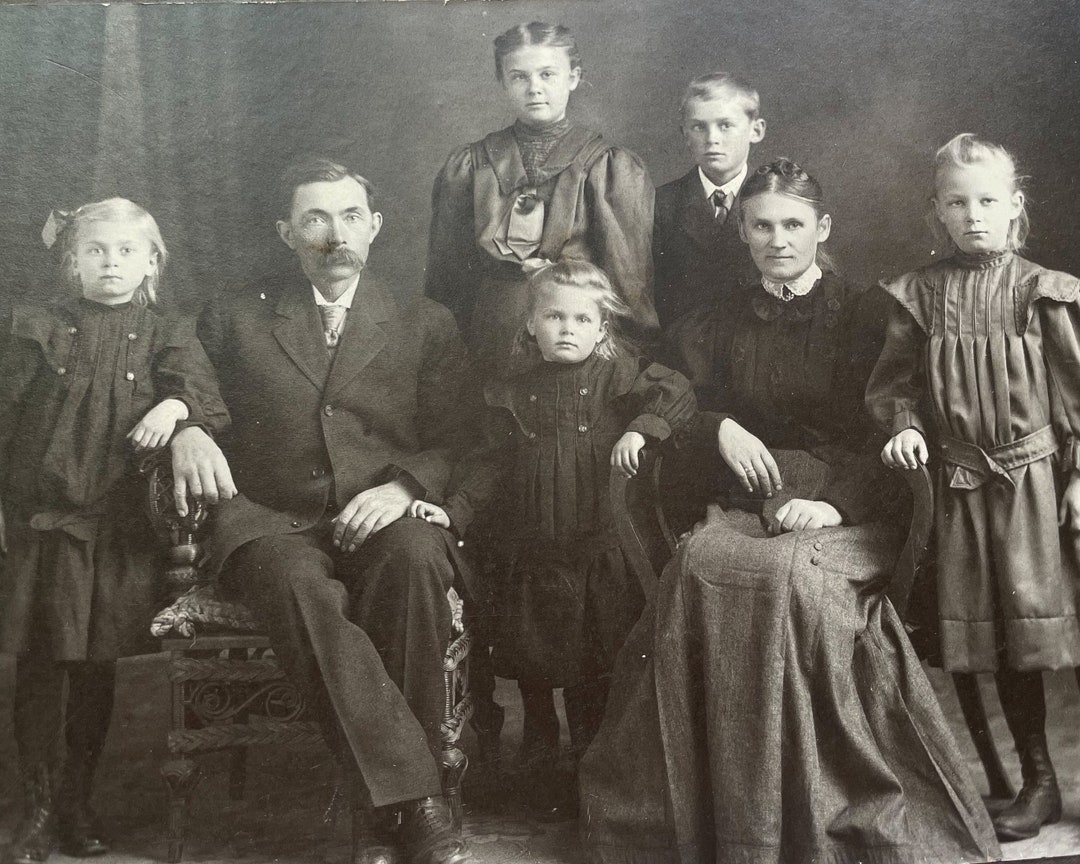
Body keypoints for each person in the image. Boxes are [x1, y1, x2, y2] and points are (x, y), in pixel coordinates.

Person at [578, 159, 1000, 864]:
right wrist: (716, 426)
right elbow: (670, 386)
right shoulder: (717, 317)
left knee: (789, 584)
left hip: (852, 505)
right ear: (743, 232)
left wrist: (834, 503)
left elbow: (892, 419)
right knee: (698, 567)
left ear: (821, 229)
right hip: (748, 501)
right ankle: (719, 814)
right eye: (763, 225)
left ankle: (809, 809)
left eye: (794, 225)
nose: (779, 239)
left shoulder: (869, 313)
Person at [168, 156, 472, 864]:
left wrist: (405, 488)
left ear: (375, 227)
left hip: (382, 511)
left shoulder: (424, 321)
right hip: (270, 518)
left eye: (349, 216)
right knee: (297, 582)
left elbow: (463, 437)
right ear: (286, 232)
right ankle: (411, 804)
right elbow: (175, 363)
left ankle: (384, 809)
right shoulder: (233, 315)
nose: (334, 234)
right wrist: (185, 422)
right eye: (315, 218)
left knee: (416, 558)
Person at [411, 258, 694, 817]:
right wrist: (454, 510)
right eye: (554, 317)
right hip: (531, 550)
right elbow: (488, 464)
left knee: (594, 660)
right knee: (536, 658)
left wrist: (640, 429)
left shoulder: (621, 375)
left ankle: (593, 763)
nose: (568, 328)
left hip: (598, 548)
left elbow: (677, 393)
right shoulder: (510, 391)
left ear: (601, 328)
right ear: (530, 325)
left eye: (582, 319)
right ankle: (538, 751)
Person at [0, 198, 230, 864]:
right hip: (42, 525)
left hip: (113, 529)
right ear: (73, 260)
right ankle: (37, 809)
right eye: (96, 250)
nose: (111, 263)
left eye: (127, 251)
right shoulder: (36, 328)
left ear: (151, 261)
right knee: (41, 668)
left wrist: (176, 404)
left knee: (96, 668)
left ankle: (77, 800)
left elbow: (210, 401)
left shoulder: (167, 335)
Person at [868, 133, 1080, 842]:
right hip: (961, 487)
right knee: (992, 643)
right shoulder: (920, 298)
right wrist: (904, 424)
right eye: (957, 203)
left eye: (988, 200)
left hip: (1040, 487)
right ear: (937, 211)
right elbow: (895, 386)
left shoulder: (1043, 292)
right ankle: (1036, 779)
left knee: (1051, 629)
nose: (974, 215)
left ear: (1016, 206)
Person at [424, 21, 656, 378]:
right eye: (519, 77)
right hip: (491, 341)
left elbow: (627, 283)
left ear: (574, 77)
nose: (535, 88)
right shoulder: (471, 165)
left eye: (548, 74)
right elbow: (448, 278)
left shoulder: (607, 165)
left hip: (579, 345)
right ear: (502, 81)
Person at [652, 72, 765, 328]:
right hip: (681, 349)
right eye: (699, 126)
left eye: (725, 125)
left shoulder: (773, 200)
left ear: (755, 130)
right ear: (685, 134)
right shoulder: (661, 204)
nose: (712, 138)